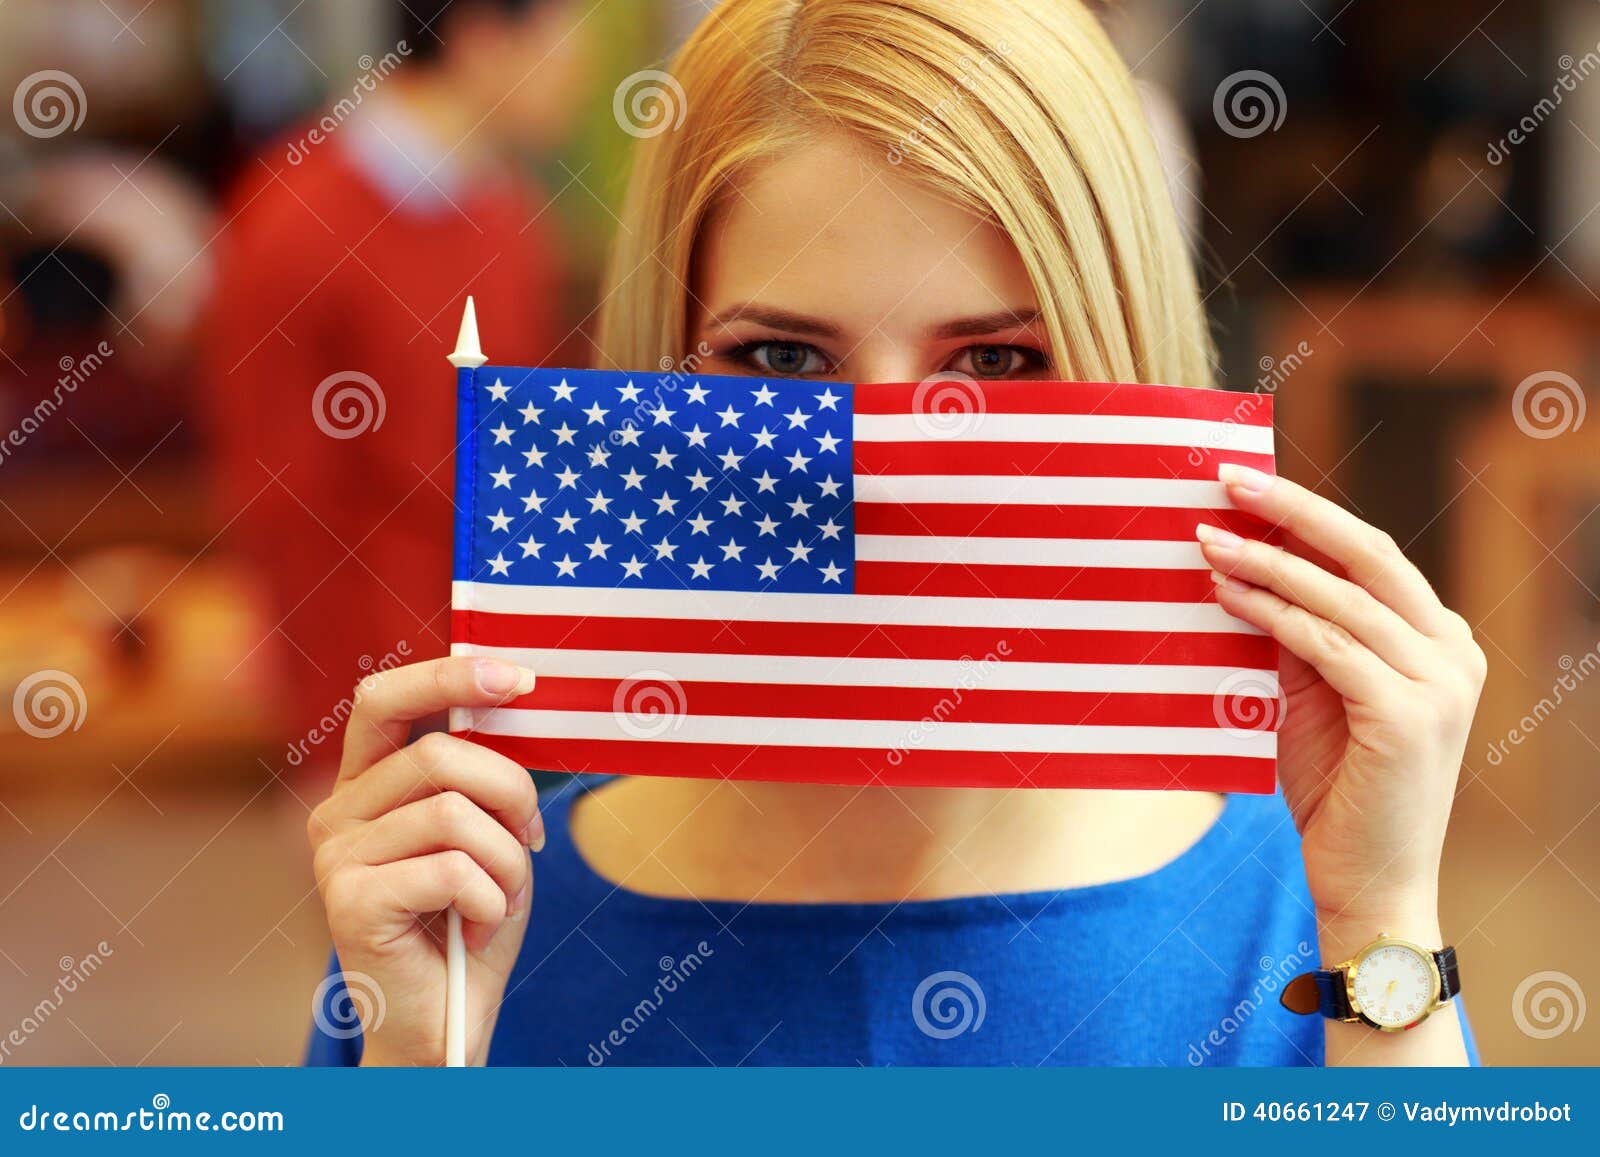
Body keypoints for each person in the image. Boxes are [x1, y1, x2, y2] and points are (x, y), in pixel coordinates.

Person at [305, 0, 1486, 1066]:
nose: (883, 480)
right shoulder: (473, 913)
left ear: (1126, 360)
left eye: (996, 360)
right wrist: (419, 1060)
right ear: (665, 370)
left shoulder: (1308, 908)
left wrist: (1380, 928)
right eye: (782, 357)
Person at [203, 0, 590, 765]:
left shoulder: (509, 215)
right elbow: (282, 502)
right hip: (372, 696)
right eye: (562, 36)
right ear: (482, 39)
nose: (580, 70)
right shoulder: (296, 221)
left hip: (490, 669)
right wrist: (326, 733)